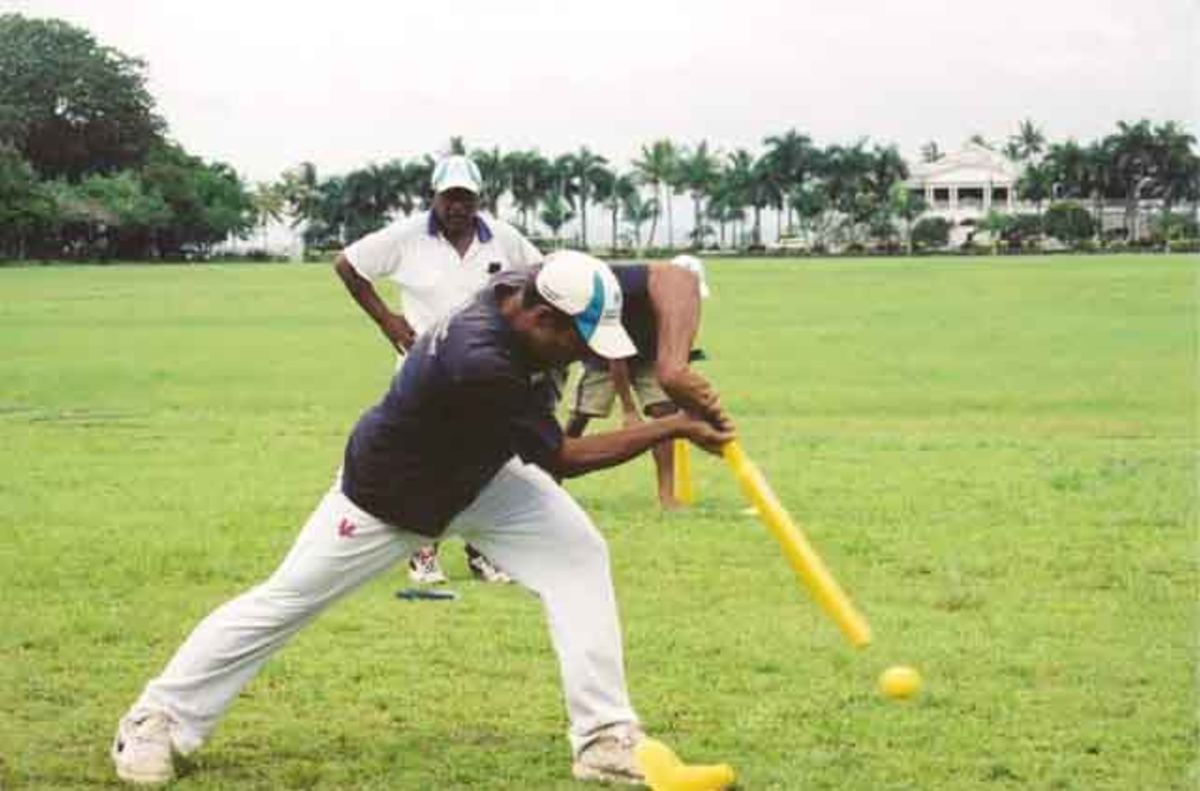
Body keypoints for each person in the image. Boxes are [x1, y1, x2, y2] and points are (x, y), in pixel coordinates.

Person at [110, 252, 734, 786]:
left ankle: (603, 738)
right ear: (541, 320)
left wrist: (674, 367)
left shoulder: (548, 280)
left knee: (579, 556)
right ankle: (157, 719)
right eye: (579, 343)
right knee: (285, 601)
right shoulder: (478, 358)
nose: (588, 356)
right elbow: (563, 458)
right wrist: (676, 423)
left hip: (484, 476)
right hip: (390, 494)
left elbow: (672, 278)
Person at [334, 154, 542, 585]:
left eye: (465, 197)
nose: (457, 206)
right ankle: (421, 553)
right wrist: (387, 320)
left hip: (489, 372)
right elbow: (348, 265)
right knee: (425, 463)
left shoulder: (503, 239)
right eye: (449, 197)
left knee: (486, 460)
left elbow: (540, 276)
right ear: (435, 195)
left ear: (477, 198)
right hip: (425, 373)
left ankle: (482, 552)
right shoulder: (408, 236)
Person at [566, 254, 716, 508]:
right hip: (605, 352)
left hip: (648, 355)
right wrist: (629, 410)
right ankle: (550, 476)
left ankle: (666, 496)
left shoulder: (675, 300)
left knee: (664, 414)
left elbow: (676, 343)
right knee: (582, 414)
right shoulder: (624, 289)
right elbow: (615, 351)